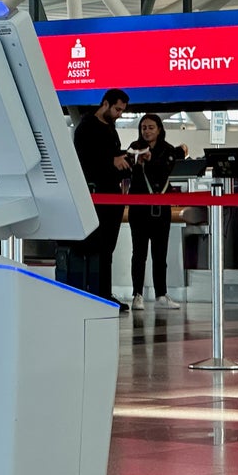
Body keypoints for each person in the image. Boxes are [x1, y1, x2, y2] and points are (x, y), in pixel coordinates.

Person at [72, 88, 131, 311]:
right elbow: (85, 158)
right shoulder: (87, 127)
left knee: (108, 247)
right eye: (117, 109)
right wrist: (111, 161)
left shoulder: (110, 129)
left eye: (122, 111)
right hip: (95, 194)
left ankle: (104, 291)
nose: (119, 114)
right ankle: (93, 290)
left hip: (111, 194)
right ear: (105, 104)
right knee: (94, 244)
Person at [126, 113, 182, 311]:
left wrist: (149, 161)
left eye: (151, 127)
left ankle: (161, 293)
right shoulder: (134, 146)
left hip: (160, 210)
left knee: (160, 254)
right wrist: (135, 161)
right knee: (139, 253)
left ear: (159, 129)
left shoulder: (167, 150)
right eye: (143, 127)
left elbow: (164, 170)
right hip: (139, 209)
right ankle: (137, 294)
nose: (147, 131)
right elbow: (125, 169)